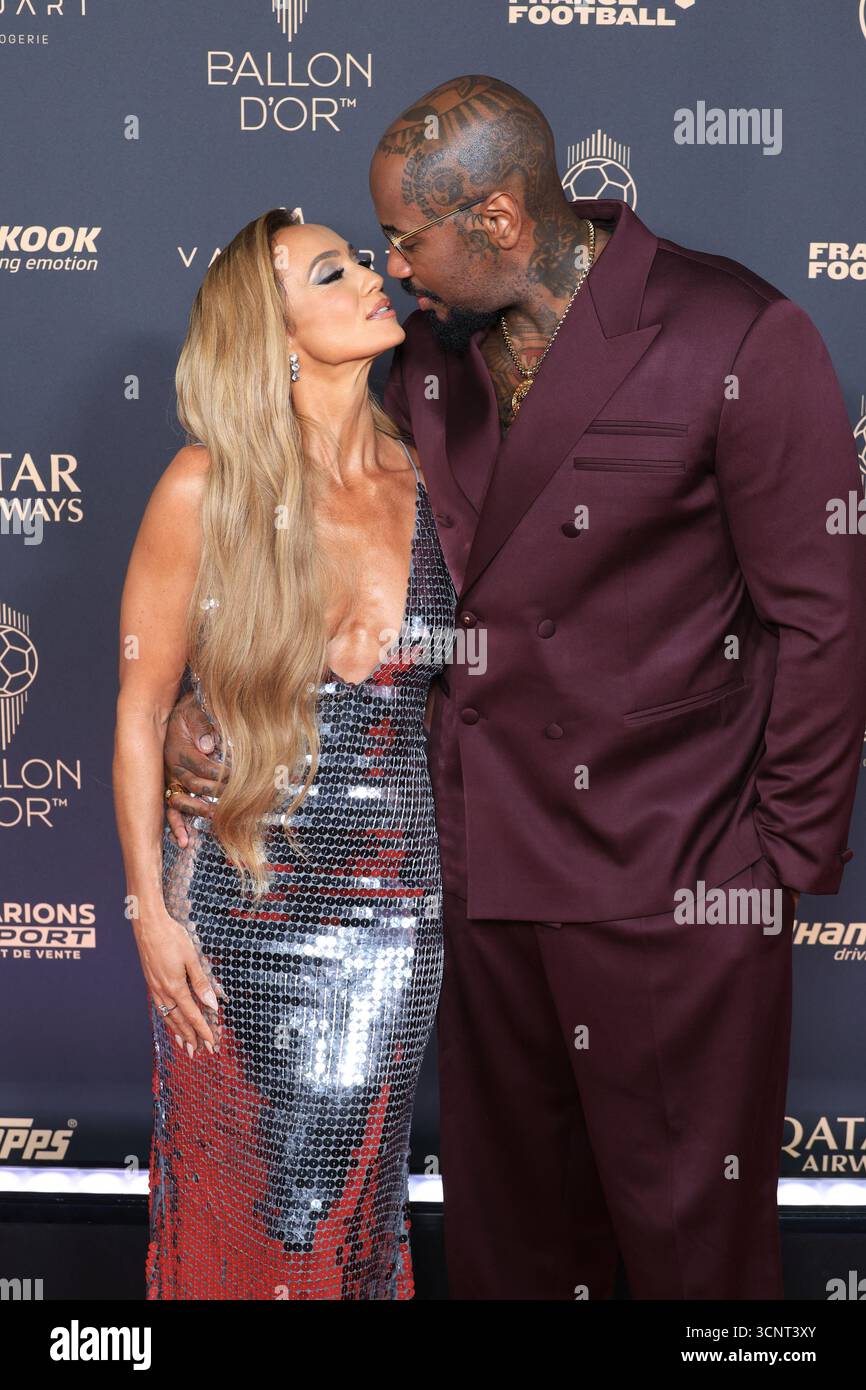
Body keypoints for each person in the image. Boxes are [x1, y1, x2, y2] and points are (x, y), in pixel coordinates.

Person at [160, 77, 866, 1300]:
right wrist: (204, 695)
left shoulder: (735, 335)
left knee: (695, 1256)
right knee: (516, 1249)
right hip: (477, 880)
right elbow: (322, 533)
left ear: (494, 220)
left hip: (673, 881)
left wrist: (770, 863)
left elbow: (821, 614)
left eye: (404, 239)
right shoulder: (425, 362)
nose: (388, 267)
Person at [113, 207, 456, 1300]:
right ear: (278, 334)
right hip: (236, 910)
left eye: (358, 260)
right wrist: (151, 918)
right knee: (235, 1212)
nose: (370, 277)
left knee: (350, 1224)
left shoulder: (436, 484)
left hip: (395, 924)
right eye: (331, 274)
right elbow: (140, 709)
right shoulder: (204, 487)